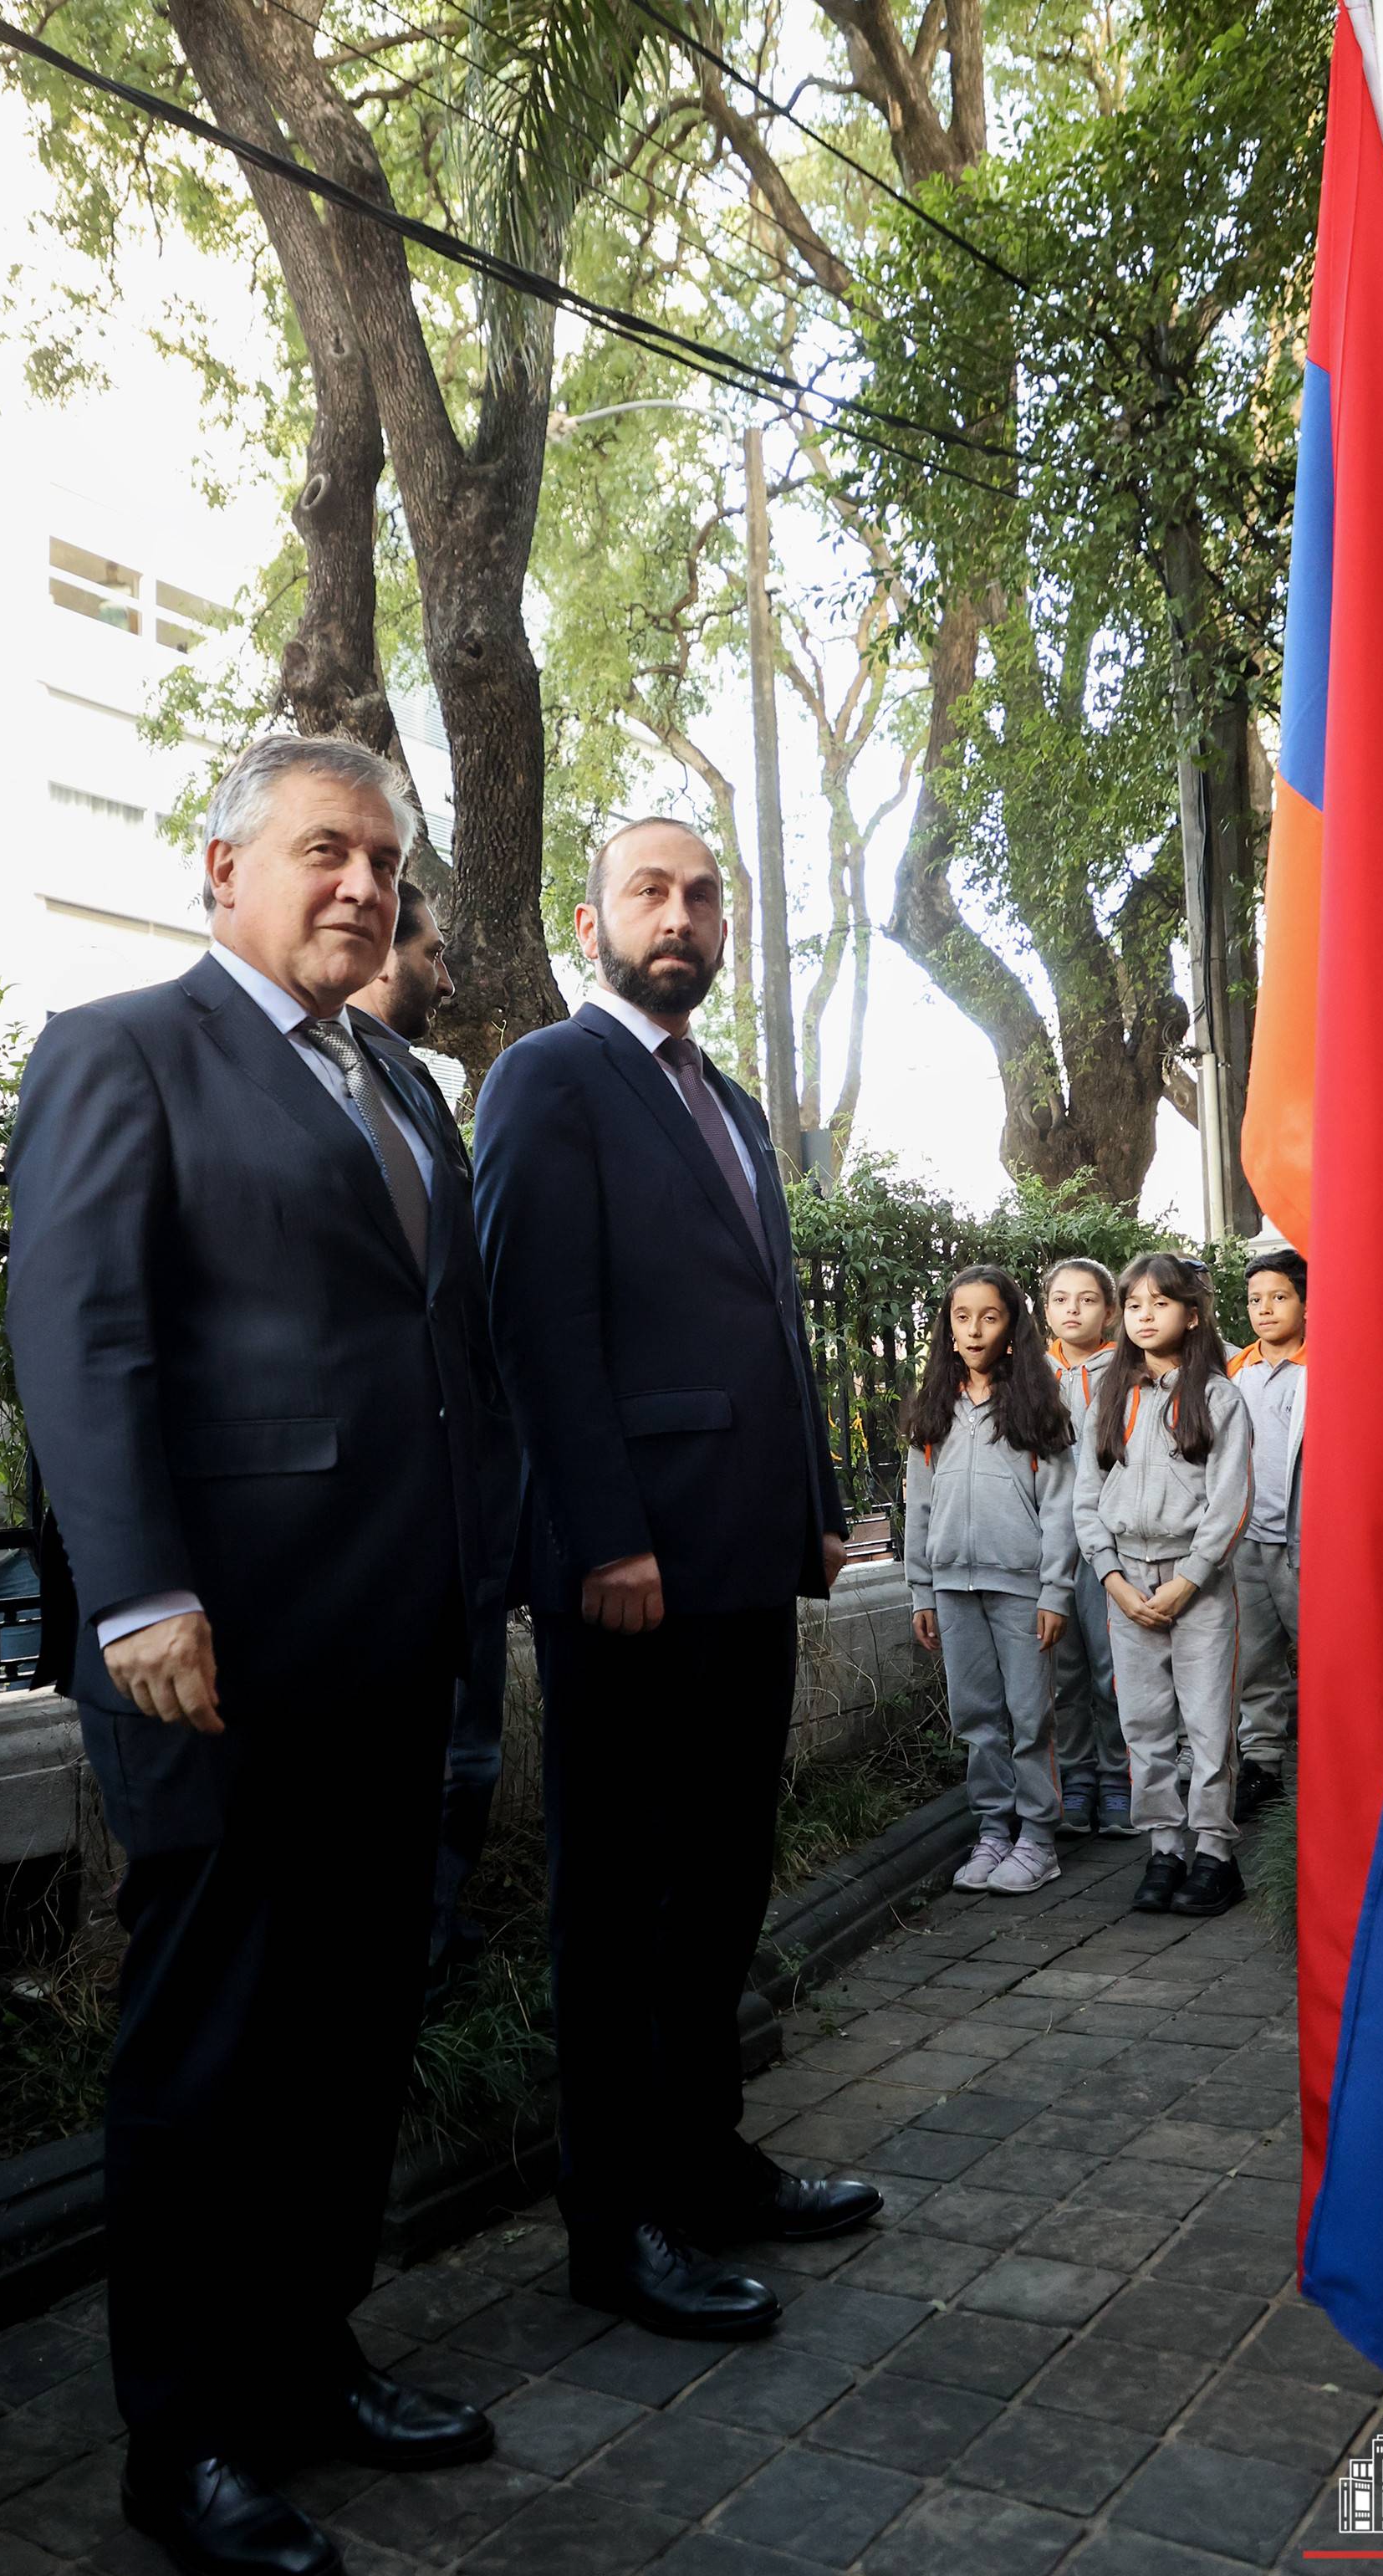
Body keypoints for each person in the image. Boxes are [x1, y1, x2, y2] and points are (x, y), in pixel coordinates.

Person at [6, 736, 518, 2576]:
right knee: (213, 2048)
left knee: (352, 2033)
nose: (363, 887)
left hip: (397, 1644)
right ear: (223, 868)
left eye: (384, 861)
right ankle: (189, 2439)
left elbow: (441, 1360)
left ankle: (309, 2356)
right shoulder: (125, 1049)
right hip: (214, 1657)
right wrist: (139, 1592)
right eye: (324, 851)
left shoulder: (401, 1080)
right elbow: (81, 1332)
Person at [472, 813, 880, 2343]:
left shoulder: (739, 1108)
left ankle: (705, 2161)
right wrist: (603, 1536)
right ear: (591, 923)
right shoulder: (549, 1076)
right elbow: (534, 1324)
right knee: (622, 1905)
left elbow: (773, 1323)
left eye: (704, 895)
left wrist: (816, 1507)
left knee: (719, 1885)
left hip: (745, 1560)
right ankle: (616, 2223)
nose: (682, 915)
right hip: (632, 1567)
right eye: (650, 890)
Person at [350, 878, 512, 1999]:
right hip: (379, 1505)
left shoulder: (415, 1085)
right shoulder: (309, 1081)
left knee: (470, 1743)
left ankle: (438, 1940)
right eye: (434, 955)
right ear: (381, 951)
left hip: (467, 1497)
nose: (447, 980)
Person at [1073, 1252, 1253, 1919]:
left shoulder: (1219, 1398)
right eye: (1134, 1305)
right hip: (1127, 1585)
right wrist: (1111, 1577)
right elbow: (1085, 1499)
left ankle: (1215, 1853)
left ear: (1193, 1314)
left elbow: (1231, 1502)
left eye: (1161, 1303)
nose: (1145, 1316)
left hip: (1195, 1586)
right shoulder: (1109, 1398)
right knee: (1144, 1724)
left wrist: (1190, 1580)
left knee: (1207, 1724)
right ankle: (1164, 1848)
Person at [903, 1265, 1076, 1897]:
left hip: (1023, 1587)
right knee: (976, 1717)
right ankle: (994, 1832)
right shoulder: (933, 1410)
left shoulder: (1036, 1407)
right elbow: (919, 1508)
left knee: (1030, 1716)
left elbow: (1060, 1508)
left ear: (1011, 1328)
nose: (974, 1330)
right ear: (948, 1329)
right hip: (953, 1588)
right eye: (962, 1317)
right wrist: (922, 1589)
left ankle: (1038, 1839)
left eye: (989, 1317)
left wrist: (1056, 1590)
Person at [1044, 1257, 1131, 1839]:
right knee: (1063, 1672)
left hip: (1110, 1546)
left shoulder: (1127, 1372)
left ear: (1110, 1310)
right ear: (1046, 1309)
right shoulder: (1030, 1375)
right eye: (1060, 1299)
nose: (1073, 1309)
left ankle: (1120, 1777)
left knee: (1112, 1667)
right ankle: (1075, 1779)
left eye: (1087, 1299)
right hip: (1049, 1547)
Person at [1226, 1245, 1307, 1821]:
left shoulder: (1322, 1366)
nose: (1265, 1309)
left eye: (1279, 1297)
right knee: (1255, 1660)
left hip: (1305, 1543)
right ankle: (1263, 1764)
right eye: (1255, 1299)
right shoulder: (1236, 1371)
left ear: (1306, 1303)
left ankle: (1337, 1760)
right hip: (1247, 1540)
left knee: (1324, 1654)